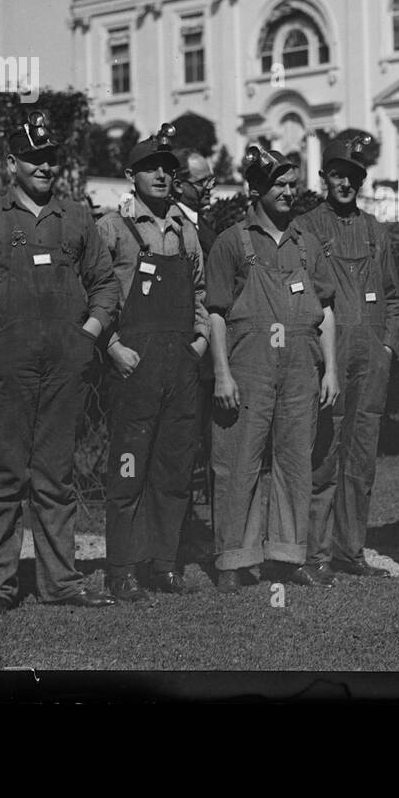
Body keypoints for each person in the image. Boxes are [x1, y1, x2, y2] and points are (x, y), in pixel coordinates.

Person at [0, 110, 120, 613]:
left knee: (56, 476)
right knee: (4, 474)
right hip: (6, 368)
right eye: (34, 157)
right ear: (12, 161)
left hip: (66, 367)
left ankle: (60, 582)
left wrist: (89, 333)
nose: (45, 165)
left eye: (51, 157)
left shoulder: (77, 217)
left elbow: (105, 285)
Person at [205, 145, 340, 593]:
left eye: (292, 184)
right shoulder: (232, 241)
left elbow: (326, 310)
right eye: (279, 185)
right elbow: (217, 312)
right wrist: (222, 373)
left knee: (295, 460)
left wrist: (332, 370)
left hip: (302, 365)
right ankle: (232, 559)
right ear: (257, 189)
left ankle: (287, 555)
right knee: (238, 459)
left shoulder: (306, 242)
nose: (288, 192)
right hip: (250, 365)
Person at [95, 124, 211, 601]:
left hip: (181, 366)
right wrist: (112, 347)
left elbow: (202, 294)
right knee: (128, 471)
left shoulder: (186, 231)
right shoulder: (112, 228)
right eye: (150, 168)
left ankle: (163, 565)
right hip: (134, 366)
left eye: (167, 168)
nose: (162, 175)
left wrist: (200, 342)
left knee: (174, 470)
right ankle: (121, 568)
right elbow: (93, 294)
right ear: (130, 175)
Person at [297, 134, 399, 578]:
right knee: (323, 454)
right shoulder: (306, 227)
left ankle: (351, 550)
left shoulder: (377, 230)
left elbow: (394, 298)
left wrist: (387, 346)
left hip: (370, 358)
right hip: (328, 360)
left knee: (361, 456)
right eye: (338, 174)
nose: (346, 183)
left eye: (354, 176)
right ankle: (316, 553)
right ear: (324, 177)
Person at [171, 146, 218, 565]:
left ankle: (219, 539)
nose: (209, 187)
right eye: (201, 181)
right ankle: (178, 539)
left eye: (210, 180)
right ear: (178, 182)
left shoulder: (210, 222)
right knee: (182, 452)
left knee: (215, 450)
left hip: (212, 360)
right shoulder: (171, 225)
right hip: (185, 354)